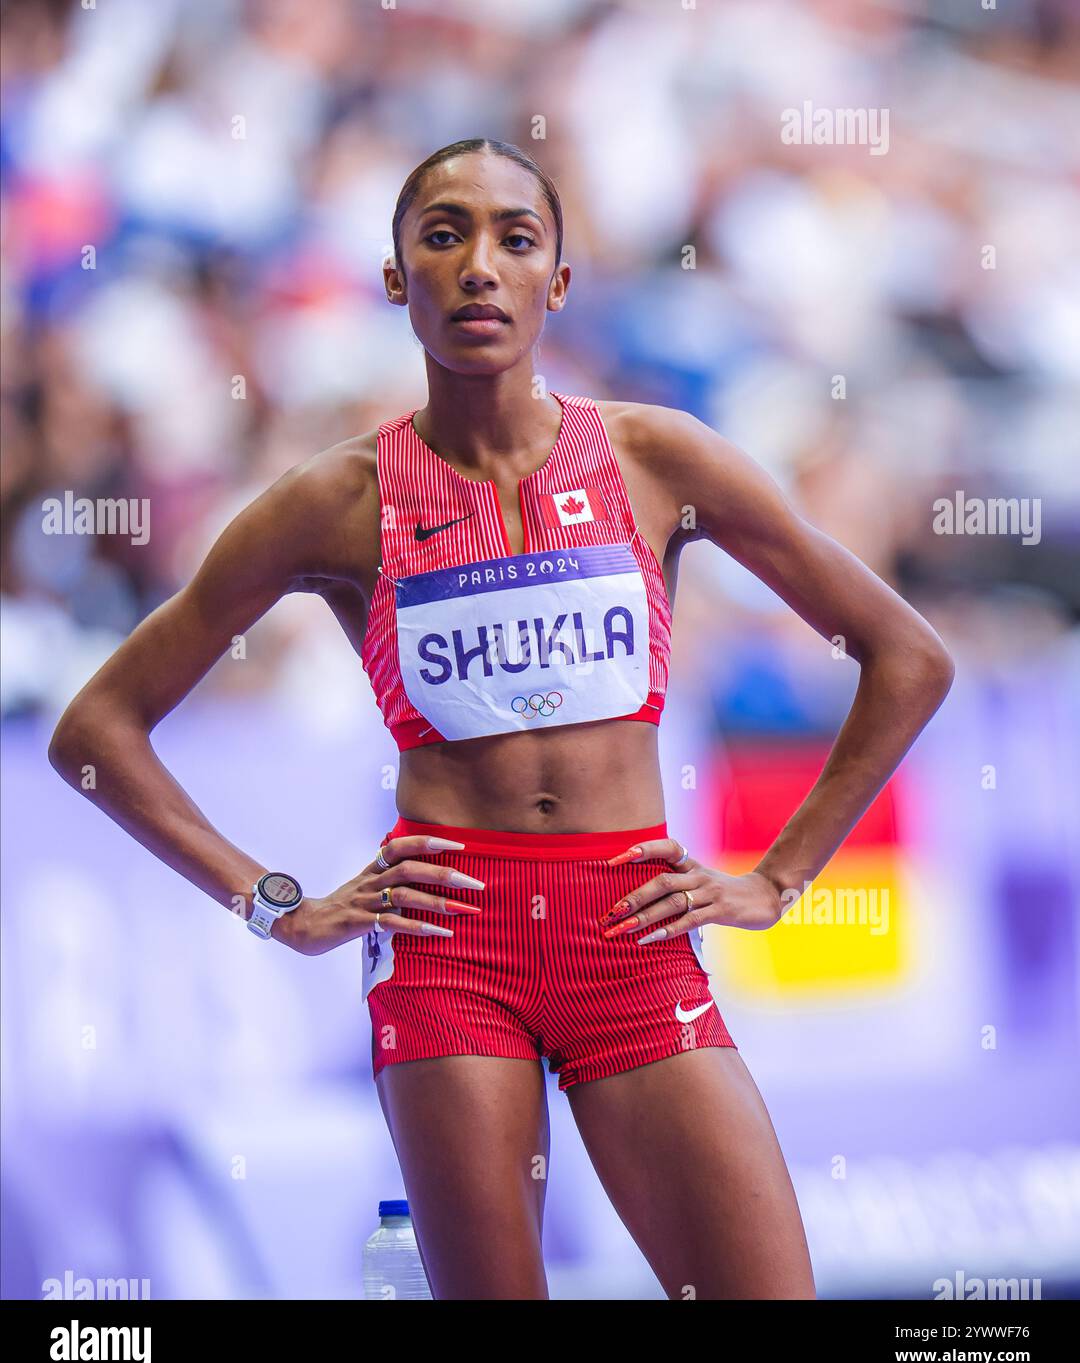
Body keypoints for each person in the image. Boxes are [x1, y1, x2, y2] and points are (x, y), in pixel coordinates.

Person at [48, 138, 954, 1300]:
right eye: (443, 235)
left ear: (558, 282)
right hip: (448, 943)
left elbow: (907, 658)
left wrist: (779, 878)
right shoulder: (334, 501)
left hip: (629, 934)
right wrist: (275, 903)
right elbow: (95, 733)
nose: (479, 266)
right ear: (394, 279)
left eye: (515, 239)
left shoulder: (656, 456)